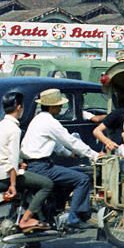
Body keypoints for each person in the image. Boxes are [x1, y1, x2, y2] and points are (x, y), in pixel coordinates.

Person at [21, 88, 97, 228]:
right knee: (83, 179)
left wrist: (69, 154)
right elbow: (70, 141)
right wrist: (94, 154)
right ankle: (74, 218)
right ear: (52, 106)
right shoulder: (50, 122)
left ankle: (56, 210)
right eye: (59, 105)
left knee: (71, 173)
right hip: (42, 167)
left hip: (32, 165)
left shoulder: (38, 119)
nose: (61, 107)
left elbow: (55, 144)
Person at [0, 93, 53, 232]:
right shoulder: (14, 129)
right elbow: (12, 160)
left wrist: (21, 163)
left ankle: (34, 234)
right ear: (19, 107)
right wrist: (13, 185)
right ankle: (26, 219)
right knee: (47, 184)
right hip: (5, 176)